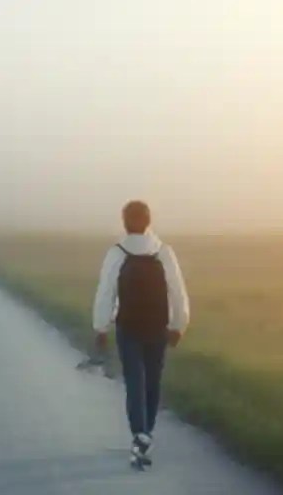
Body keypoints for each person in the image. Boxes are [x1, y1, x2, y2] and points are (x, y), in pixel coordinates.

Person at [92, 200, 190, 469]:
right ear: (149, 221)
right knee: (152, 382)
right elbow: (178, 291)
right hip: (158, 327)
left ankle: (139, 435)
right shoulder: (163, 251)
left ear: (125, 222)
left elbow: (105, 292)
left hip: (128, 327)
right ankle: (147, 433)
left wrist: (100, 327)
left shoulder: (117, 252)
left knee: (134, 382)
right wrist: (179, 324)